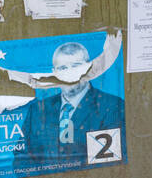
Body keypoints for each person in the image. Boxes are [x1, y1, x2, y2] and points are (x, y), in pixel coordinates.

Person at [14, 41, 124, 171]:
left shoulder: (111, 106)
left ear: (89, 68)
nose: (69, 74)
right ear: (54, 72)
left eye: (76, 66)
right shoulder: (37, 110)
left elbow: (109, 163)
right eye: (63, 68)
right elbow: (21, 160)